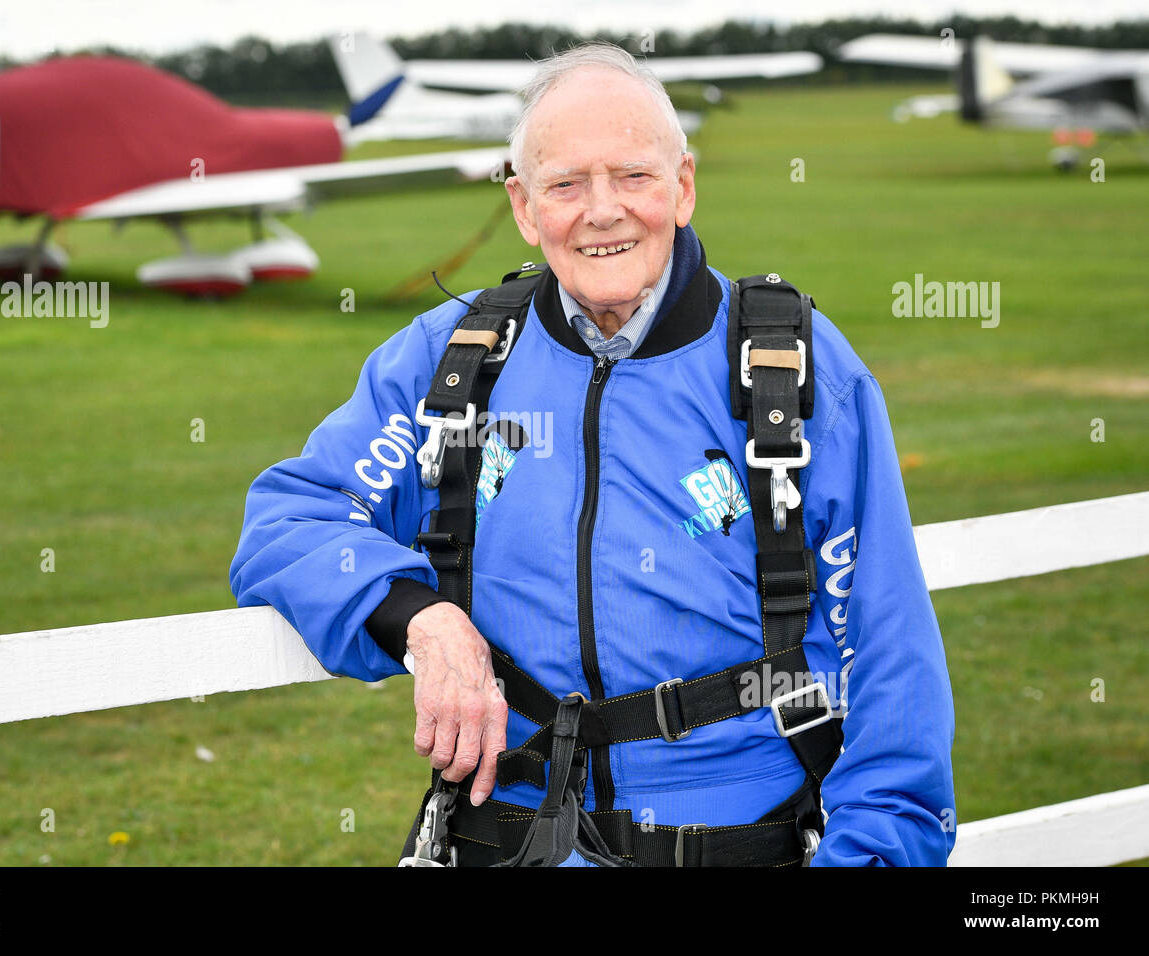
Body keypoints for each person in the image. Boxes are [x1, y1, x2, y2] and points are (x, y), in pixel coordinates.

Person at [230, 42, 955, 866]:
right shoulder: (455, 359)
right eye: (566, 184)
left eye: (633, 177)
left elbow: (891, 666)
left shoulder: (791, 371)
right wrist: (422, 621)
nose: (601, 211)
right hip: (503, 838)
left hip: (743, 840)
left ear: (683, 186)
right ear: (523, 207)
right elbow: (290, 518)